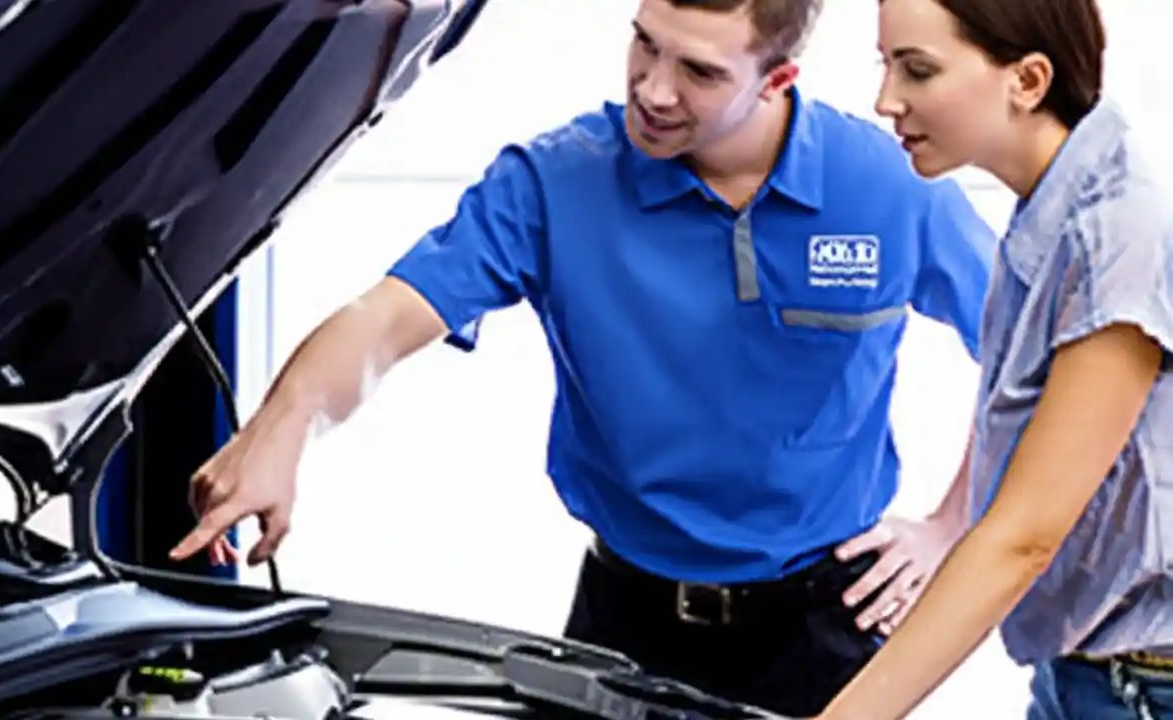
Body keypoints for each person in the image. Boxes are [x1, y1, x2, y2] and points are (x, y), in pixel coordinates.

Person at [169, 0, 995, 715]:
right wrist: (284, 428)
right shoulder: (556, 182)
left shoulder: (891, 189)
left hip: (823, 630)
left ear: (777, 81)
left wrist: (953, 525)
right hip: (623, 620)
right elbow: (383, 321)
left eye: (700, 72)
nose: (652, 89)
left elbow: (1030, 357)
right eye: (645, 43)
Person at [815, 1, 1173, 719]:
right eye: (886, 66)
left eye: (918, 70)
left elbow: (1023, 537)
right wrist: (947, 519)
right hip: (1083, 676)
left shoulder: (1113, 236)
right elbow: (1030, 419)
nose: (887, 100)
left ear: (1029, 80)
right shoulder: (1052, 213)